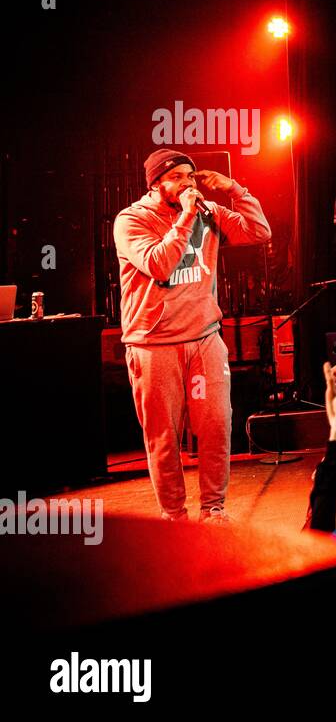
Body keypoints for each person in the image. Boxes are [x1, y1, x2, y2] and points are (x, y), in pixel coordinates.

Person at [113, 148, 271, 522]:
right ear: (156, 184)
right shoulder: (131, 220)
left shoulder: (209, 213)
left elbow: (259, 232)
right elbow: (159, 263)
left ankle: (213, 509)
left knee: (216, 425)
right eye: (178, 177)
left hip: (203, 337)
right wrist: (185, 217)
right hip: (152, 343)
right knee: (164, 437)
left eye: (191, 176)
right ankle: (174, 516)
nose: (188, 184)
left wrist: (234, 189)